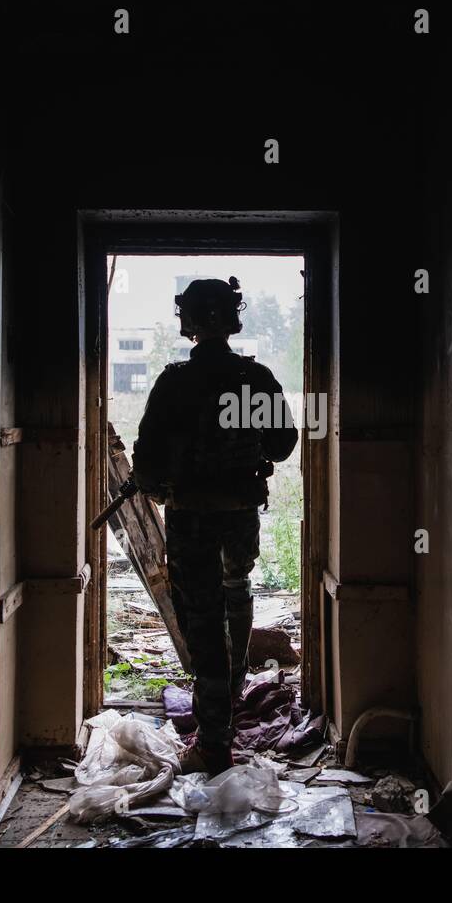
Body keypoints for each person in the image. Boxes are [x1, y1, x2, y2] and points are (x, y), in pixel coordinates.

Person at [132, 276, 298, 774]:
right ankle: (224, 714)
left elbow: (146, 465)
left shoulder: (174, 382)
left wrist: (164, 485)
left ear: (192, 320)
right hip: (238, 517)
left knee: (203, 621)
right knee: (237, 593)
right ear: (230, 317)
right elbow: (284, 443)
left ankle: (214, 740)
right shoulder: (256, 377)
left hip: (191, 520)